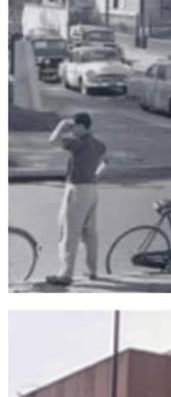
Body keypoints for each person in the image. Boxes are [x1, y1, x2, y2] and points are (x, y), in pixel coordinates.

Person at [46, 112, 107, 286]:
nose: (71, 130)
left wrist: (61, 124)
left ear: (82, 126)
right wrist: (95, 175)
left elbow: (53, 141)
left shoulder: (78, 143)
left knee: (69, 232)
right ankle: (92, 270)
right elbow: (106, 161)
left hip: (77, 189)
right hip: (92, 189)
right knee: (90, 233)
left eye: (74, 126)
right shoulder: (98, 144)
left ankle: (65, 274)